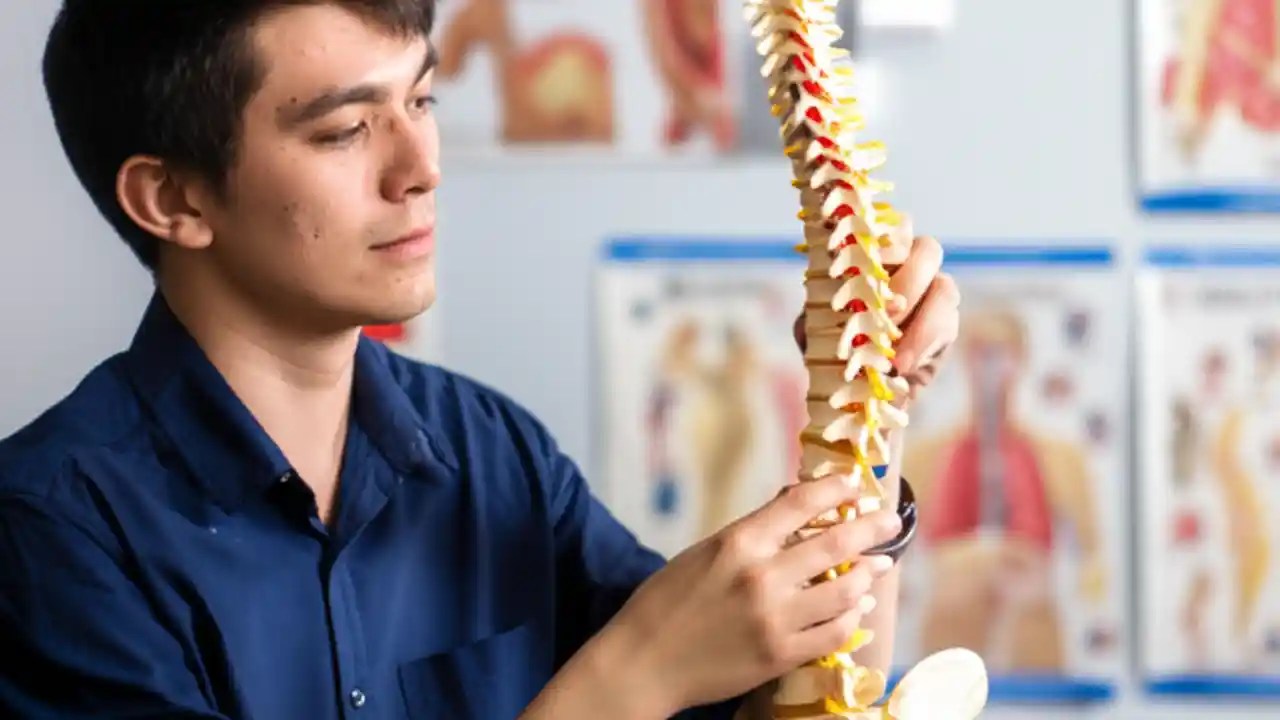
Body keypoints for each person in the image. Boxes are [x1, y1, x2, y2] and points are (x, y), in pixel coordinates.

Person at [0, 2, 960, 718]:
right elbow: (650, 673)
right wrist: (628, 679)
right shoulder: (49, 535)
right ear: (173, 201)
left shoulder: (491, 451)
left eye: (420, 99)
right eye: (344, 129)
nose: (421, 165)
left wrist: (869, 399)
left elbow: (781, 704)